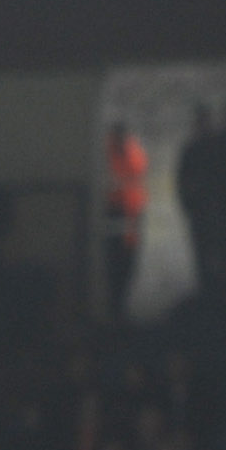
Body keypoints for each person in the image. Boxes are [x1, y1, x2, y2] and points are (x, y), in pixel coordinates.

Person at [104, 122, 147, 320]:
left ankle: (121, 303)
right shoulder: (107, 152)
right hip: (116, 211)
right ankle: (116, 304)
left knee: (129, 258)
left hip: (131, 211)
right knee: (115, 257)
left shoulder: (133, 151)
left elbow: (136, 176)